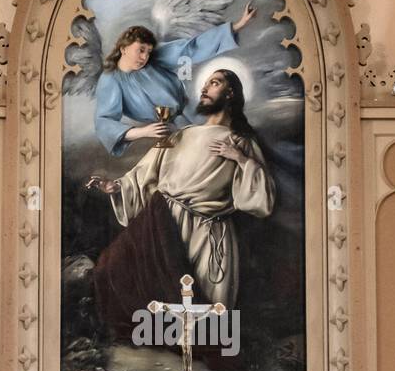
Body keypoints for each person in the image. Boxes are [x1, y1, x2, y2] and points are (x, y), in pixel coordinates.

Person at [86, 68, 274, 335]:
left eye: (215, 83)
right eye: (205, 83)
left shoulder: (240, 143)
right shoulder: (182, 135)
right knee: (124, 277)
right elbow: (144, 173)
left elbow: (261, 200)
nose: (205, 88)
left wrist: (240, 159)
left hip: (209, 233)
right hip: (164, 225)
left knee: (208, 312)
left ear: (230, 93)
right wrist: (116, 186)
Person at [93, 3, 256, 155]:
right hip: (168, 131)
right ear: (123, 48)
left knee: (236, 145)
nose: (144, 57)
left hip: (195, 112)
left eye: (148, 51)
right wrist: (144, 132)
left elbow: (190, 49)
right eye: (141, 50)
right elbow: (104, 122)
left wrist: (237, 26)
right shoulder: (110, 80)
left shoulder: (153, 58)